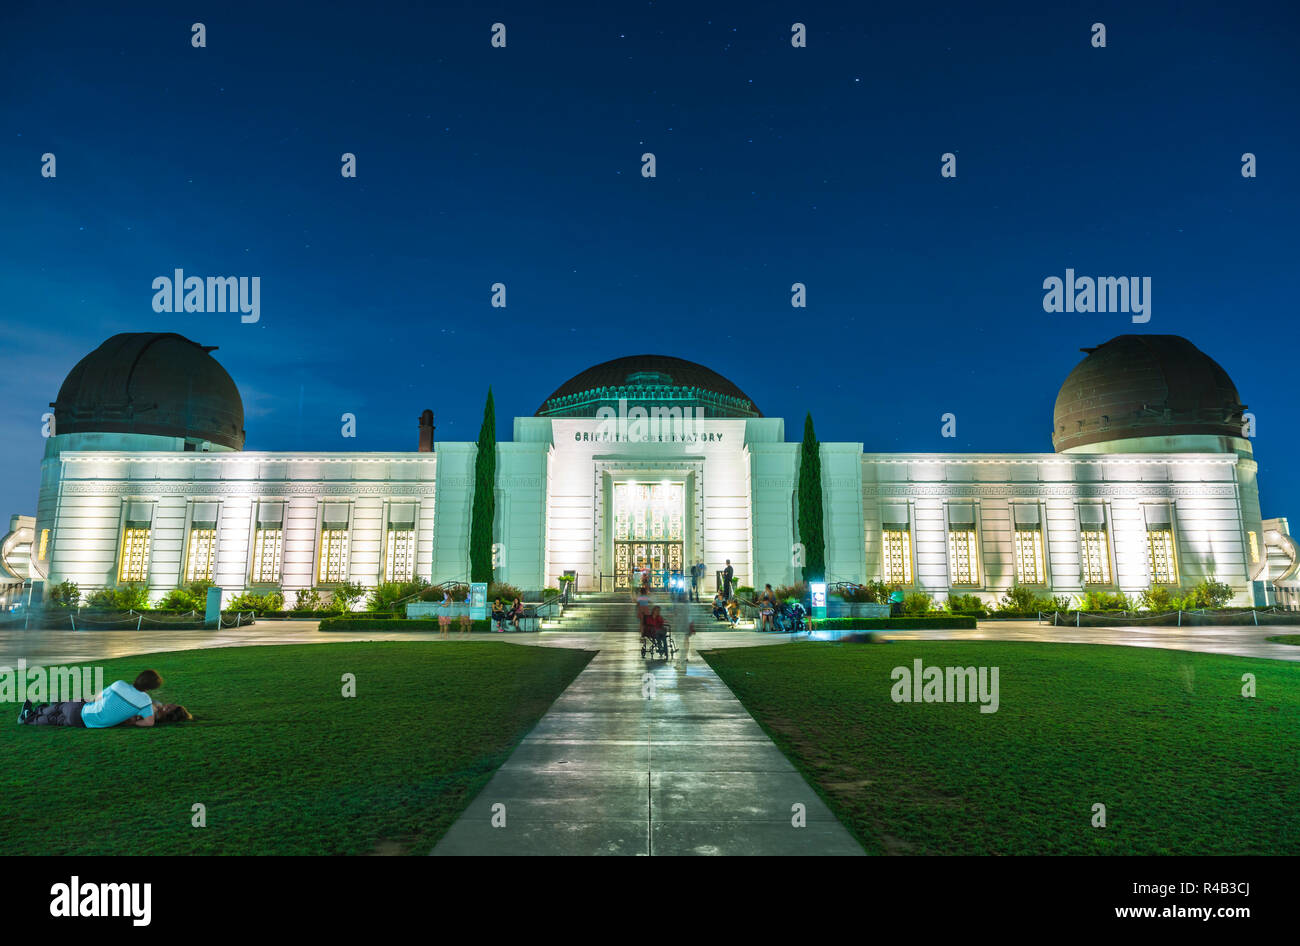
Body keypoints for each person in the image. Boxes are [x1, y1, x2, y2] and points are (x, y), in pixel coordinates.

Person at [18, 670, 163, 729]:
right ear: (150, 688)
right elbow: (149, 722)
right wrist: (133, 722)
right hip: (86, 724)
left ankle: (39, 710)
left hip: (82, 711)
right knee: (58, 720)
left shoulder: (119, 685)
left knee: (62, 706)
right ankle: (29, 718)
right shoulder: (146, 701)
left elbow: (97, 698)